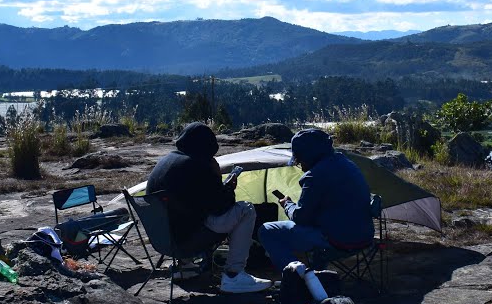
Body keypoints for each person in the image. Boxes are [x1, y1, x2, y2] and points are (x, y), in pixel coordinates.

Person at [146, 122, 273, 293]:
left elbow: (197, 200)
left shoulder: (167, 161)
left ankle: (185, 266)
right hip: (186, 241)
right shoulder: (197, 166)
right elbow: (220, 208)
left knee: (189, 210)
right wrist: (224, 185)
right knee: (246, 209)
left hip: (163, 238)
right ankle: (234, 275)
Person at [258, 128, 373, 271]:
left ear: (307, 156)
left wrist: (287, 204)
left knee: (267, 230)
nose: (300, 167)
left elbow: (300, 218)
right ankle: (316, 272)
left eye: (299, 160)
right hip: (365, 236)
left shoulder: (315, 176)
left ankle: (298, 278)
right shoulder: (347, 163)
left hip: (337, 241)